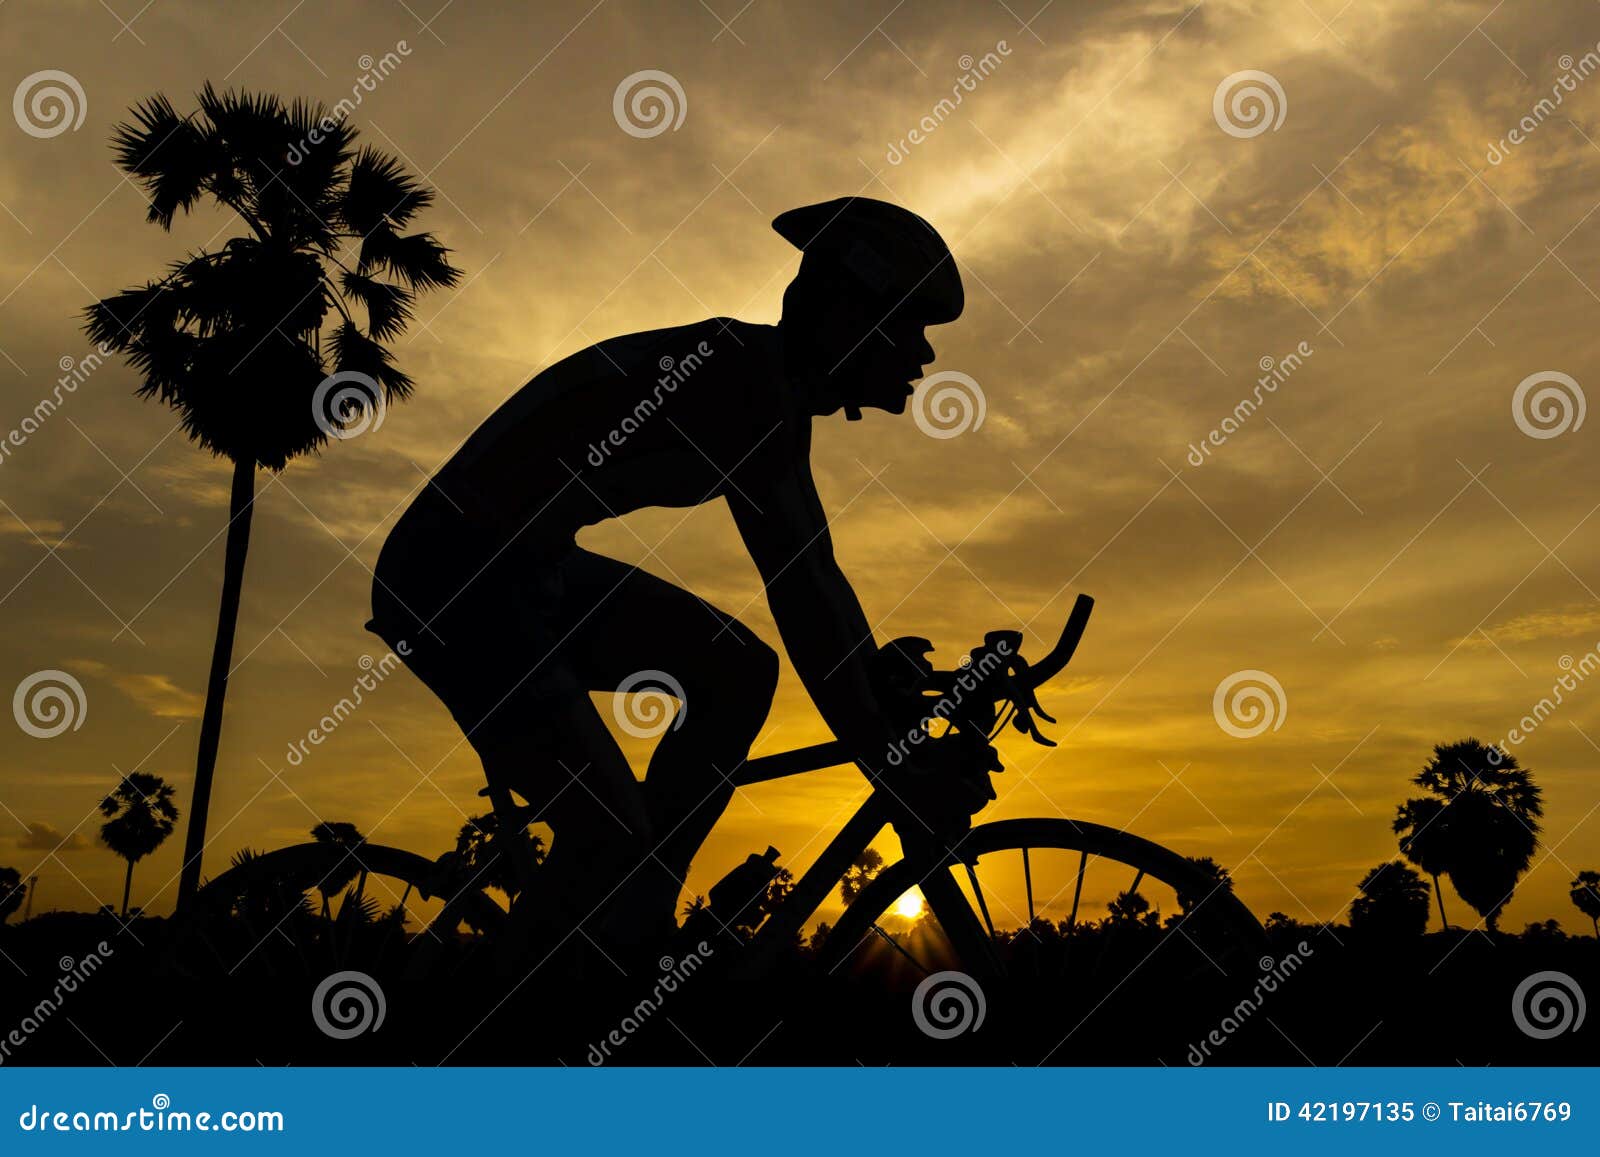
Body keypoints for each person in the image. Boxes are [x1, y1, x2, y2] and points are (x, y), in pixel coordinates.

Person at [369, 197, 964, 954]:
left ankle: (635, 929)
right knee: (609, 830)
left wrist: (877, 695)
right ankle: (508, 1024)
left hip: (524, 567)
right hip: (450, 577)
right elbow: (805, 594)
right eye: (909, 326)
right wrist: (893, 759)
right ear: (851, 315)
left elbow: (818, 573)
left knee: (739, 670)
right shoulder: (742, 387)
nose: (924, 355)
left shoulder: (768, 392)